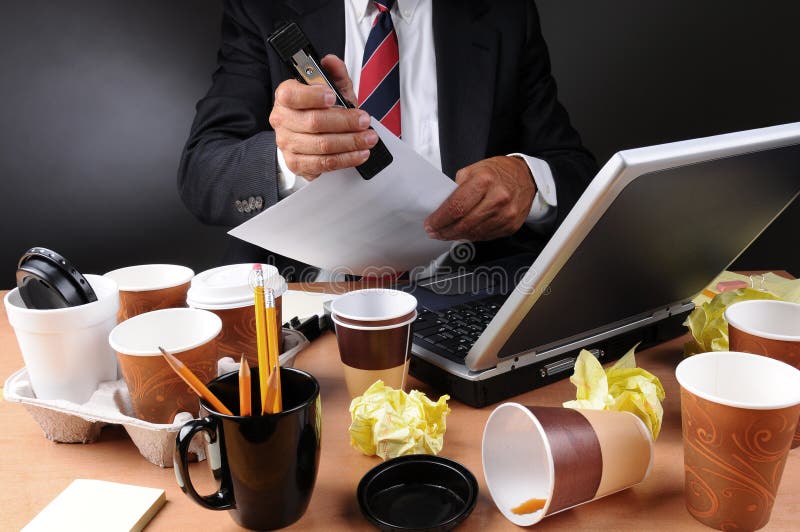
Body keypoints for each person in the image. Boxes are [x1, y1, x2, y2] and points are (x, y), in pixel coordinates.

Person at [178, 0, 597, 281]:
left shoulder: (503, 13)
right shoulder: (262, 8)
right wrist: (292, 158)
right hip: (313, 308)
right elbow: (203, 174)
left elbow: (575, 170)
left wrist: (528, 180)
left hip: (462, 295)